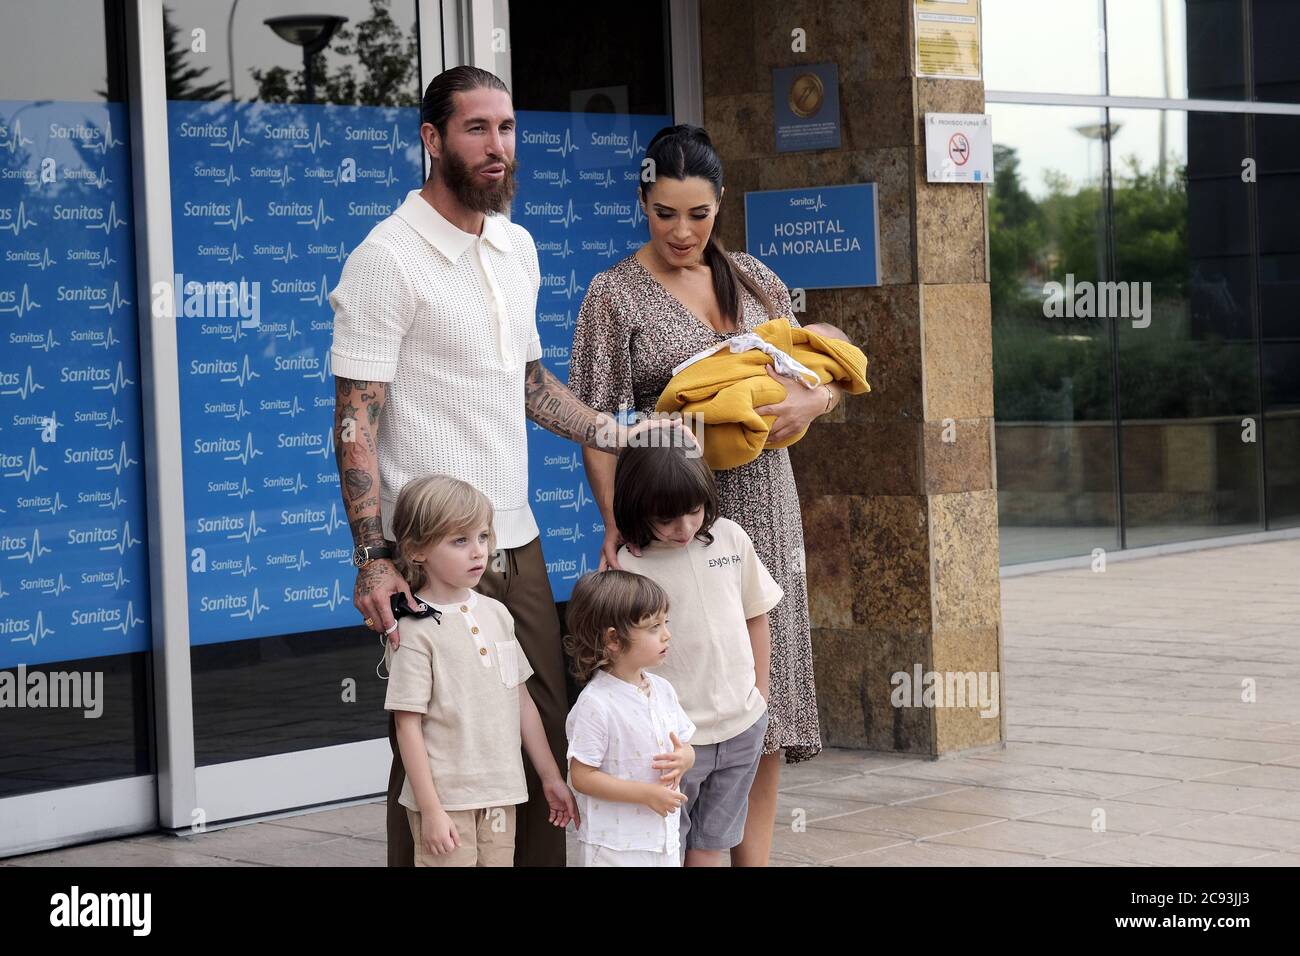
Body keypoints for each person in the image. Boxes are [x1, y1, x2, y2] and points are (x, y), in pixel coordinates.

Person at [328, 65, 663, 867]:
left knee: (540, 729)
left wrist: (617, 434)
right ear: (432, 139)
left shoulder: (517, 246)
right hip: (431, 551)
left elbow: (529, 385)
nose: (497, 146)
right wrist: (375, 557)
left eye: (507, 129)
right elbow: (354, 425)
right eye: (477, 129)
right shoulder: (388, 258)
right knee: (436, 744)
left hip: (514, 537)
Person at [568, 124, 846, 865]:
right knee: (682, 686)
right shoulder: (613, 294)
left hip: (766, 501)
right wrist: (612, 525)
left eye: (698, 214)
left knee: (763, 696)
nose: (682, 231)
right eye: (664, 213)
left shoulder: (755, 277)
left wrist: (807, 407)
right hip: (669, 515)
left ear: (720, 207)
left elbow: (818, 376)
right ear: (642, 203)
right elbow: (597, 423)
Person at [384, 474, 578, 866]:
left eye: (483, 537)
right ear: (417, 550)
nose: (479, 552)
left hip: (501, 795)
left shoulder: (497, 614)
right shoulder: (414, 629)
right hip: (446, 801)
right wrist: (432, 810)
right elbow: (408, 725)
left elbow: (520, 699)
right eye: (460, 541)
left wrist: (551, 776)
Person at [610, 443, 782, 866]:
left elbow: (755, 616)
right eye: (666, 518)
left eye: (694, 510)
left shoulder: (731, 537)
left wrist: (760, 694)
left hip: (742, 726)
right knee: (667, 842)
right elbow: (621, 658)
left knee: (712, 842)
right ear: (637, 507)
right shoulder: (629, 566)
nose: (684, 527)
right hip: (675, 739)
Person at [562, 569, 696, 867]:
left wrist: (685, 758)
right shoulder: (596, 703)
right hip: (614, 847)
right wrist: (645, 794)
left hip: (662, 840)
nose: (666, 634)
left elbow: (685, 744)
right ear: (613, 639)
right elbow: (582, 776)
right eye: (653, 627)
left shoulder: (663, 690)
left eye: (665, 623)